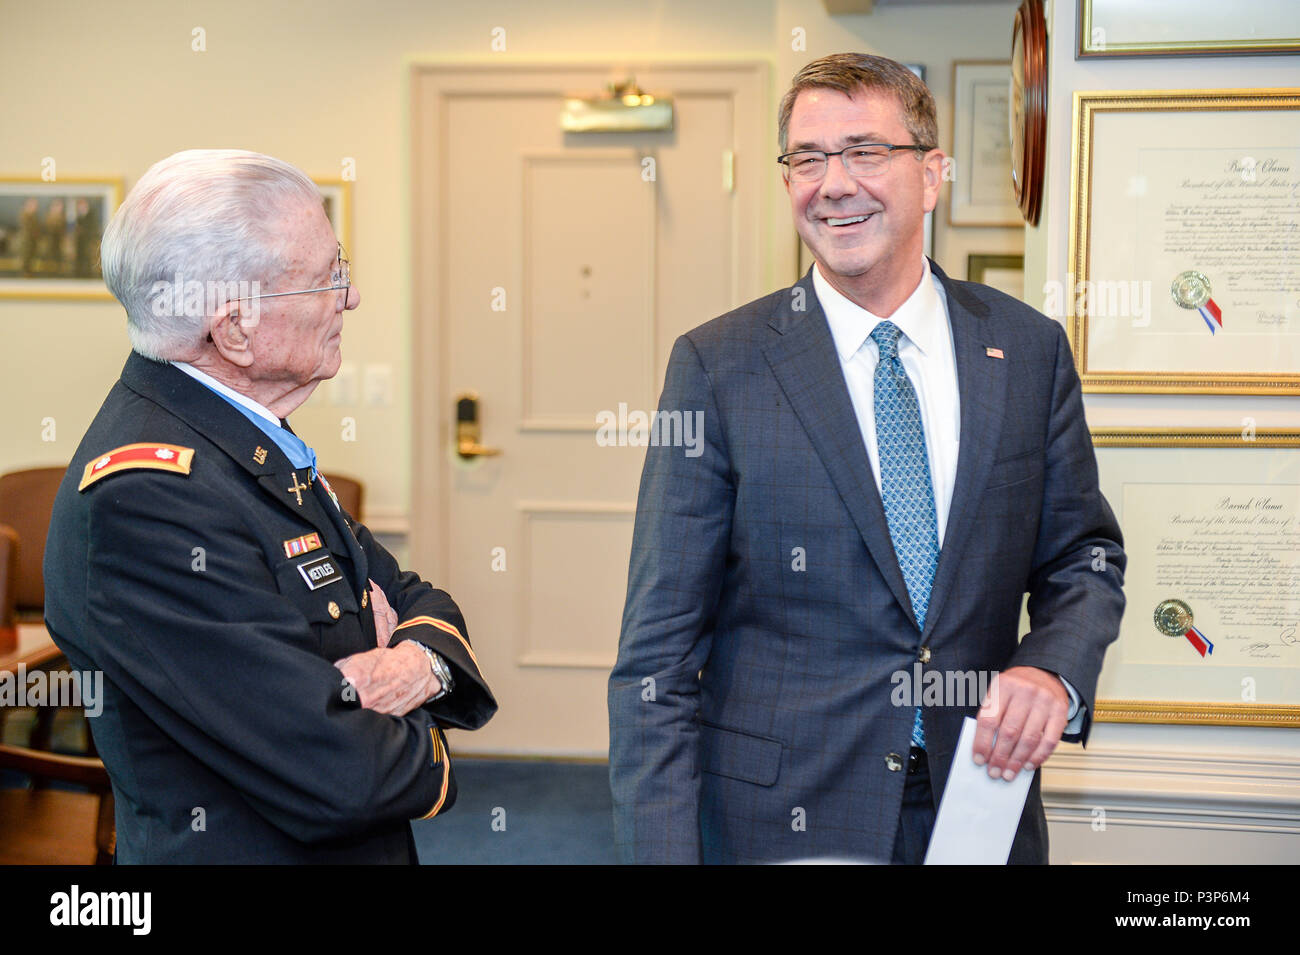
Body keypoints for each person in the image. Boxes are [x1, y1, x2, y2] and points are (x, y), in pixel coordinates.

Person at [608, 54, 1125, 864]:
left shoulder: (1028, 351)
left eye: (865, 152)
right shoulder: (720, 365)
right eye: (807, 159)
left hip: (979, 806)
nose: (834, 183)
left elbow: (1085, 559)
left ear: (933, 173)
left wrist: (1052, 669)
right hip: (782, 820)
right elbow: (657, 657)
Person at [44, 149, 497, 863]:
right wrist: (389, 691)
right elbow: (347, 774)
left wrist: (413, 669)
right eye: (326, 279)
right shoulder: (147, 498)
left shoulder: (246, 439)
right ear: (235, 329)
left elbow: (415, 595)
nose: (350, 298)